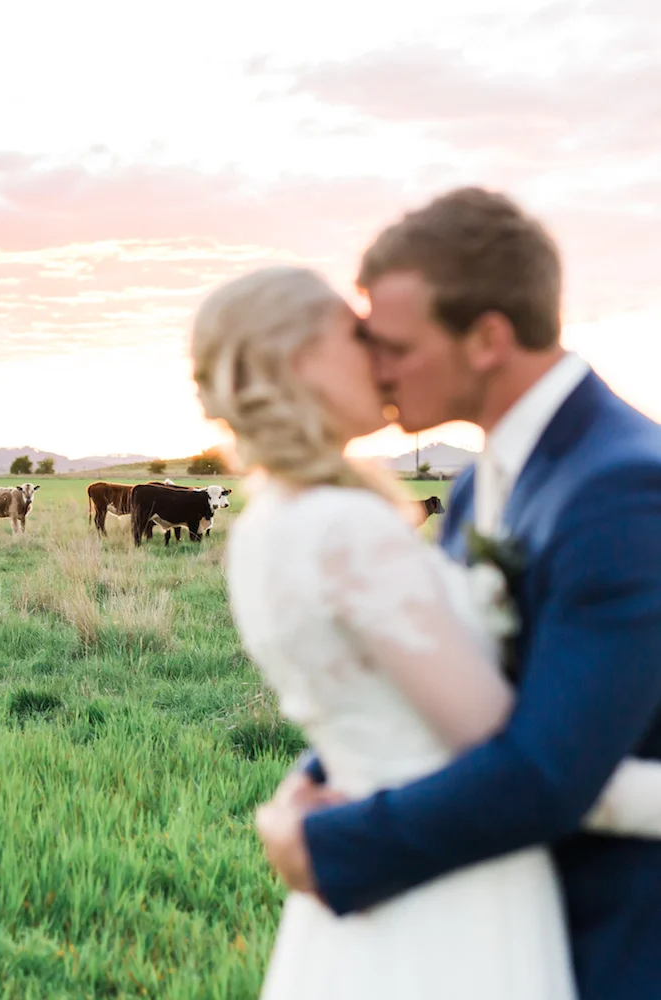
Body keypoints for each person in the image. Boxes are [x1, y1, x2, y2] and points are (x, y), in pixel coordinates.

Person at [196, 188, 661, 1000]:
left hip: (610, 929)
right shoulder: (483, 479)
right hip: (472, 897)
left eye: (394, 344)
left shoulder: (621, 487)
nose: (378, 366)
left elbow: (547, 772)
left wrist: (329, 839)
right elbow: (407, 680)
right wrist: (319, 774)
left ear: (486, 338)